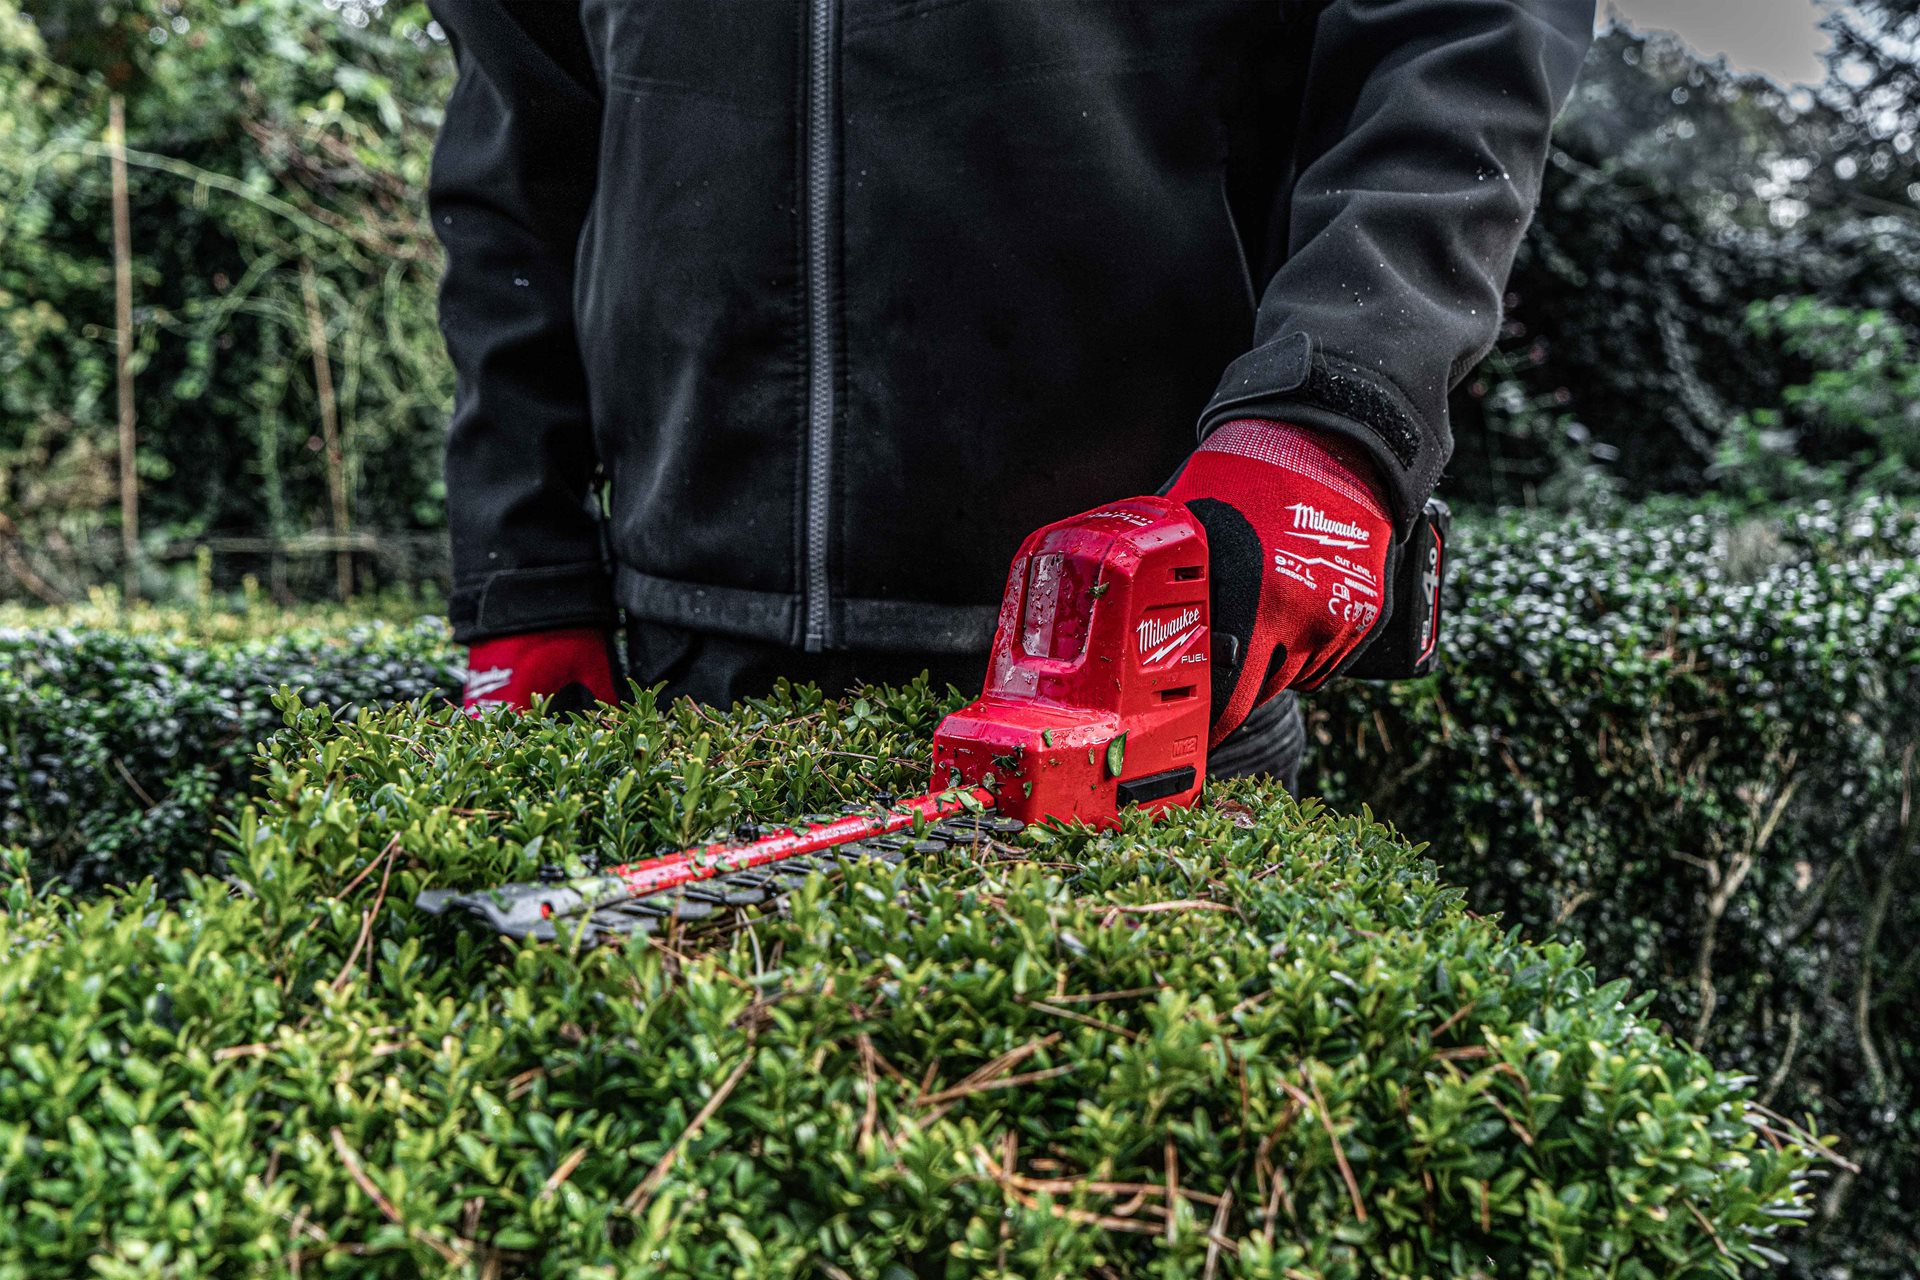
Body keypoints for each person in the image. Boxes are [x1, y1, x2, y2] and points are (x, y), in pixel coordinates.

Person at [430, 0, 1593, 789]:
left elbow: (1460, 29)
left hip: (1145, 648)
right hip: (683, 664)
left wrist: (1334, 414)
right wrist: (523, 567)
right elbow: (518, 139)